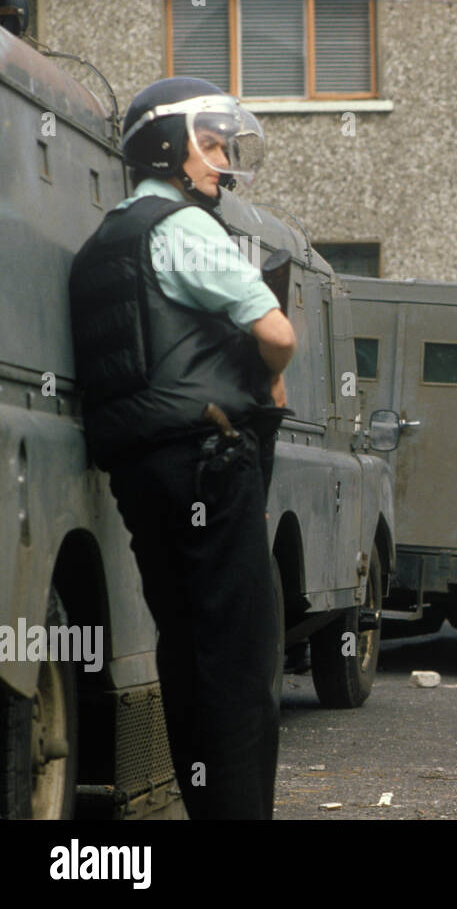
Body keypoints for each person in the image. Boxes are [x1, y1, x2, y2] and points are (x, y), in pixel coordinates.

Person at [68, 77, 296, 819]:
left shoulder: (100, 245)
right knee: (240, 659)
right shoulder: (185, 227)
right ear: (167, 147)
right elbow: (278, 333)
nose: (223, 163)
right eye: (212, 144)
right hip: (212, 466)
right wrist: (267, 378)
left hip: (142, 475)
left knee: (184, 646)